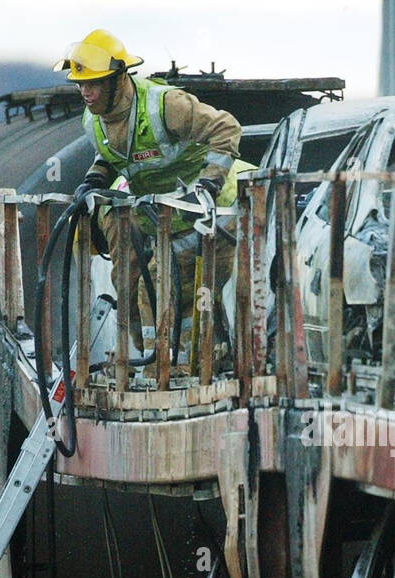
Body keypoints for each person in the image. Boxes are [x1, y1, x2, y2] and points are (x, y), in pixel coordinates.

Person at [55, 29, 252, 361]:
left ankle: (184, 370)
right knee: (135, 289)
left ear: (119, 79)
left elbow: (227, 128)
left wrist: (207, 187)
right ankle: (156, 363)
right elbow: (113, 154)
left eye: (93, 84)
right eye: (80, 85)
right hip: (162, 219)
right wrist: (94, 179)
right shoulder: (94, 121)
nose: (85, 93)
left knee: (172, 295)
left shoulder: (166, 106)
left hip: (210, 214)